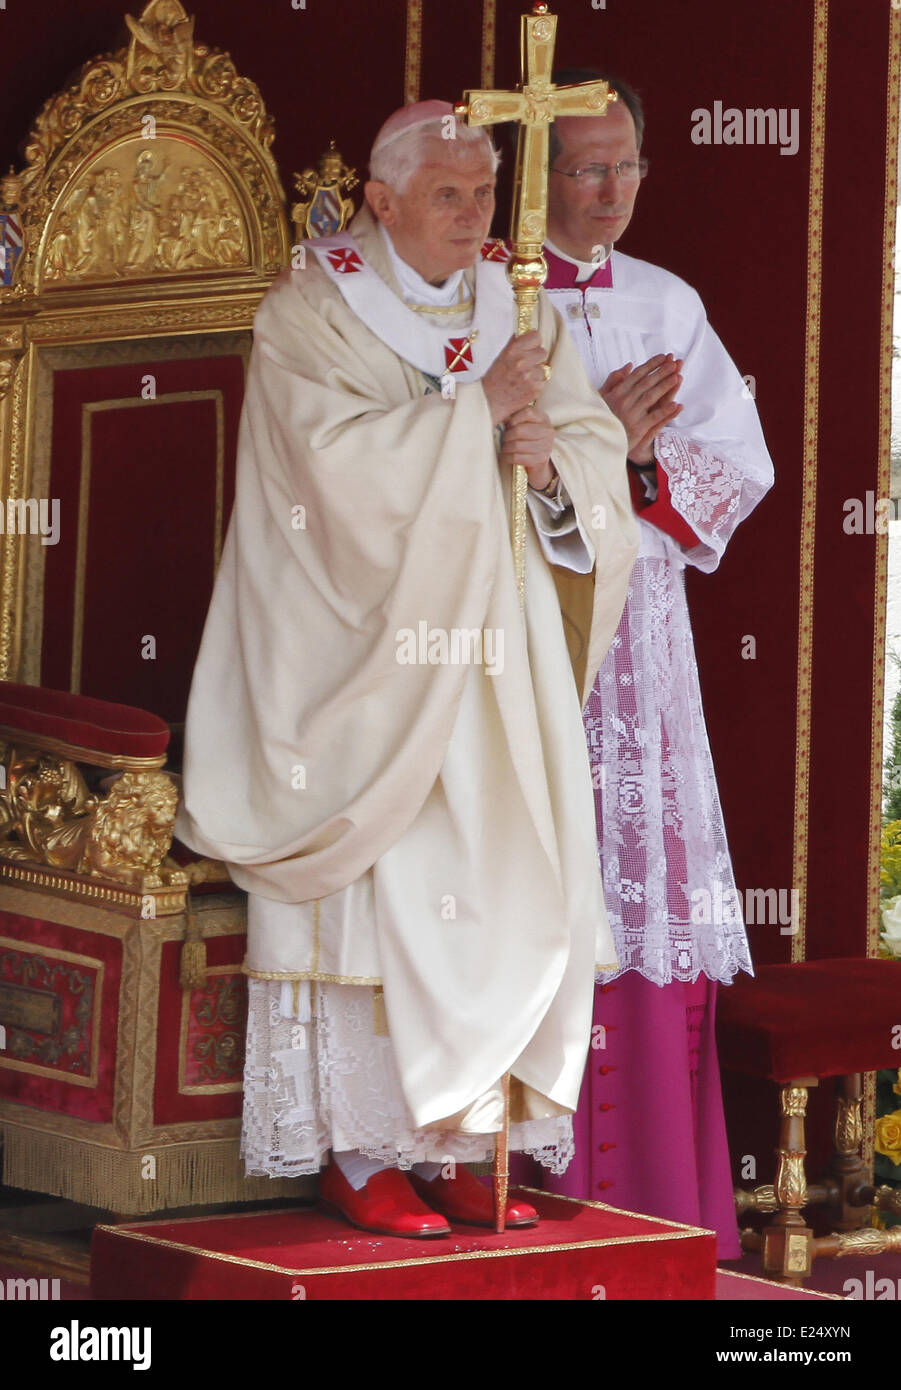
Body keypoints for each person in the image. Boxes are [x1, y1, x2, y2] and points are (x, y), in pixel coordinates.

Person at [175, 100, 638, 1238]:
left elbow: (588, 461)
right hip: (361, 662)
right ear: (380, 201)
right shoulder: (311, 312)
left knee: (486, 879)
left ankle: (455, 1138)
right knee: (383, 895)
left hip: (495, 657)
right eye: (447, 194)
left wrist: (544, 474)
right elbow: (321, 485)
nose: (474, 215)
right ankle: (356, 1151)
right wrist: (470, 419)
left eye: (483, 193)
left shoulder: (513, 304)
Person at [540, 71, 774, 1257]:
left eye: (625, 166)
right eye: (584, 167)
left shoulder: (668, 304)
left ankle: (660, 1208)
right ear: (538, 174)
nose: (608, 192)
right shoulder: (489, 301)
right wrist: (595, 436)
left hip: (643, 642)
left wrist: (634, 470)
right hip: (524, 627)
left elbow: (739, 462)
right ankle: (524, 1190)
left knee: (641, 878)